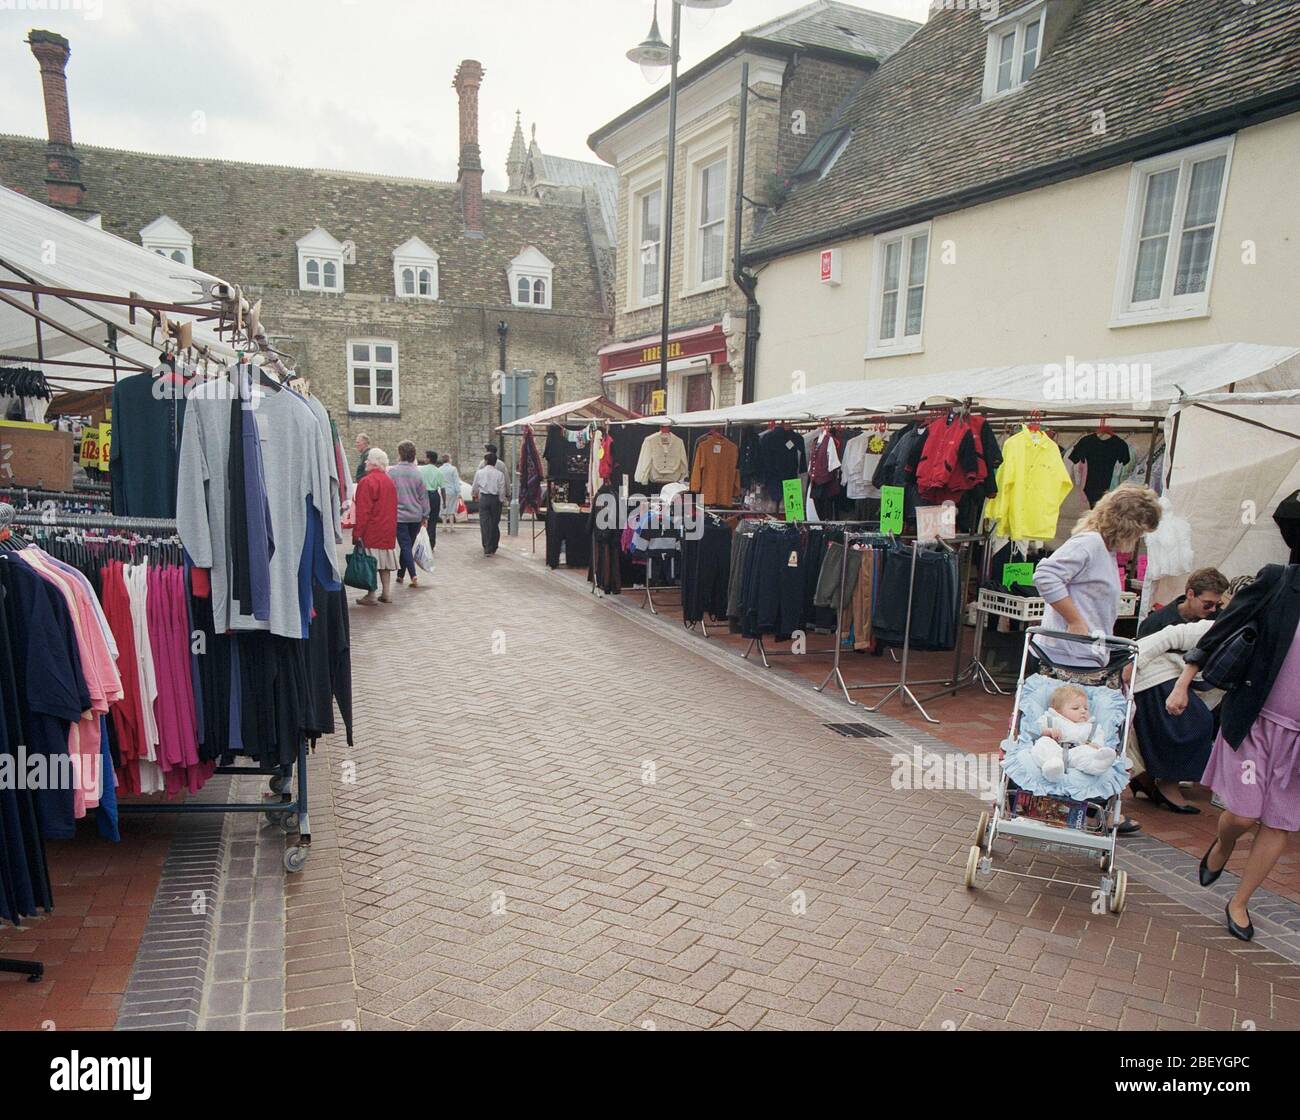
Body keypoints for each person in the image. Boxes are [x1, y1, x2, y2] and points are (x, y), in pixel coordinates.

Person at [1169, 563, 1300, 941]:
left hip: (1297, 744)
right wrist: (1183, 683)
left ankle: (1240, 902)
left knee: (1279, 823)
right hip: (1255, 723)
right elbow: (1222, 629)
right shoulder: (1279, 580)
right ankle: (1225, 843)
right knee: (1243, 814)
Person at [1032, 483, 1164, 833]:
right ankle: (1092, 804)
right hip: (1072, 655)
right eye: (1138, 532)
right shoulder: (1091, 544)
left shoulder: (1099, 546)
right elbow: (1045, 575)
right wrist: (1075, 619)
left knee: (1106, 724)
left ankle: (1093, 802)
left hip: (1088, 653)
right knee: (1097, 728)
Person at [351, 447, 399, 605]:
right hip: (387, 528)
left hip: (372, 529)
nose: (365, 462)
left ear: (374, 463)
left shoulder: (366, 482)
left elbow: (363, 510)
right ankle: (386, 593)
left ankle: (371, 594)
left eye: (368, 459)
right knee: (384, 563)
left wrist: (357, 533)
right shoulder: (389, 482)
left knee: (370, 562)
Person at [1137, 567, 1228, 637]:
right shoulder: (1155, 623)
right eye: (1208, 604)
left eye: (1218, 604)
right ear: (1190, 594)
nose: (1213, 609)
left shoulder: (1221, 620)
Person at [388, 441, 430, 588]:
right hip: (415, 515)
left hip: (399, 515)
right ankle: (401, 574)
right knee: (408, 545)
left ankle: (413, 575)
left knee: (405, 546)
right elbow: (423, 497)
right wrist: (425, 516)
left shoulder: (391, 472)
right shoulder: (418, 473)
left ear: (400, 454)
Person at [472, 449, 510, 557]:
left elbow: (475, 486)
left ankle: (486, 546)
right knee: (494, 523)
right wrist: (502, 500)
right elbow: (502, 489)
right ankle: (493, 545)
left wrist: (474, 494)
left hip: (484, 498)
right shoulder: (499, 474)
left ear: (486, 461)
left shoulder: (480, 472)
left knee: (484, 523)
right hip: (495, 499)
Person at [419, 450, 443, 547]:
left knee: (422, 519)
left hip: (424, 495)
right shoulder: (438, 471)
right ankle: (431, 543)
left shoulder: (421, 470)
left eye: (425, 457)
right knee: (433, 520)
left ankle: (422, 543)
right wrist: (444, 501)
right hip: (434, 495)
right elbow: (443, 487)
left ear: (429, 459)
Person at [439, 454, 461, 530]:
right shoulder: (453, 469)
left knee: (443, 508)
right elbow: (456, 481)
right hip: (452, 491)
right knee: (451, 508)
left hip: (442, 491)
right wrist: (458, 492)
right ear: (449, 460)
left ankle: (444, 526)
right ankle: (452, 526)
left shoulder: (440, 469)